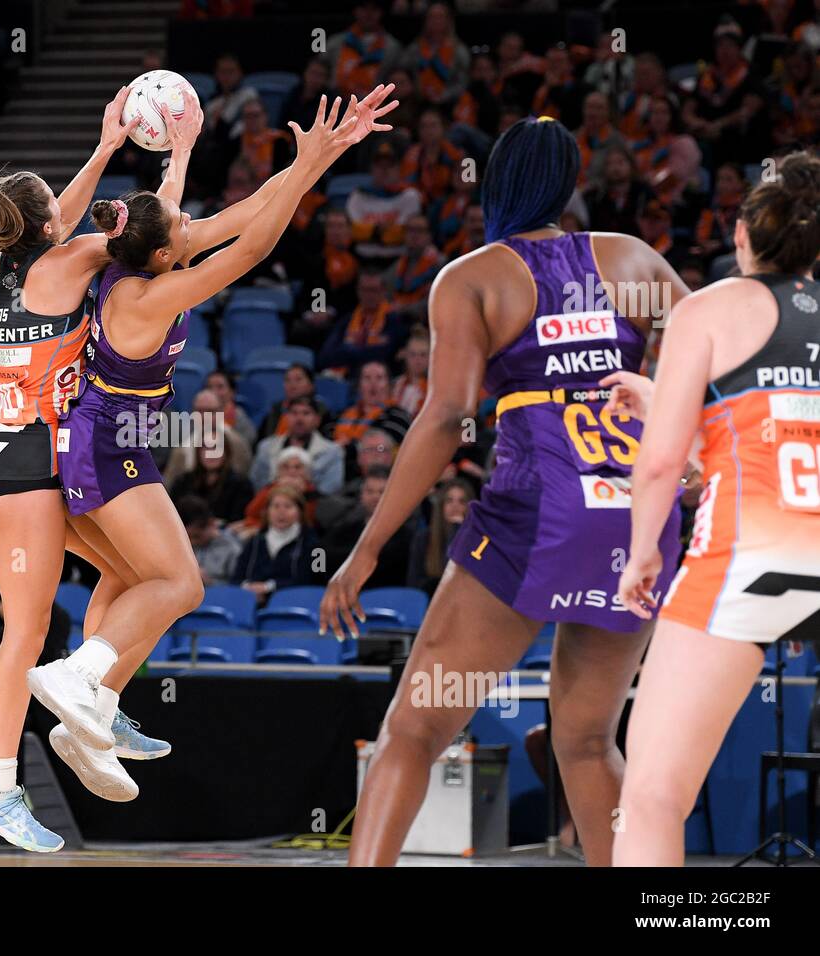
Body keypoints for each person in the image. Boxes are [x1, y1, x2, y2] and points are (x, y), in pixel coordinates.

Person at [321, 117, 689, 867]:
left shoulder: (474, 277)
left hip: (535, 515)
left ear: (495, 185)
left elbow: (447, 417)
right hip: (633, 520)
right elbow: (713, 353)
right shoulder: (631, 259)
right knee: (586, 739)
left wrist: (365, 549)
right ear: (570, 185)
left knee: (415, 729)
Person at [37, 89, 393, 804]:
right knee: (183, 586)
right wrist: (311, 162)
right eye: (183, 226)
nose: (194, 222)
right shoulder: (146, 296)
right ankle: (78, 675)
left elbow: (234, 209)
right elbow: (256, 241)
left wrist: (191, 149)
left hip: (97, 439)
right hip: (105, 443)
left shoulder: (146, 249)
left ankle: (93, 712)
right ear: (167, 252)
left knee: (139, 580)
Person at [0, 84, 146, 851]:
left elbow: (50, 218)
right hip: (25, 464)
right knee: (21, 633)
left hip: (24, 459)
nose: (68, 207)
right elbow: (150, 240)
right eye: (57, 204)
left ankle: (95, 696)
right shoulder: (67, 259)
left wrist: (107, 148)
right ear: (48, 221)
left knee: (131, 571)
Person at [614, 151, 820, 866]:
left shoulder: (707, 310)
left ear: (742, 233)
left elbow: (663, 464)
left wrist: (643, 551)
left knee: (652, 797)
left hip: (747, 560)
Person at [231, 484, 320, 601]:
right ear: (267, 512)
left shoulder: (316, 546)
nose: (281, 512)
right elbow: (235, 579)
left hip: (294, 603)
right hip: (251, 602)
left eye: (288, 506)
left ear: (300, 511)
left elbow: (315, 581)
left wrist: (268, 587)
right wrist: (248, 588)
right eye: (275, 506)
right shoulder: (255, 542)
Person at [251, 395, 345, 495]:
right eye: (294, 413)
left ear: (317, 420)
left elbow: (331, 491)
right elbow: (256, 484)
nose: (299, 419)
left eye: (306, 413)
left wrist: (306, 490)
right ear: (286, 417)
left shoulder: (332, 452)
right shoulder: (266, 447)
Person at [405, 477, 473, 596]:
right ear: (441, 506)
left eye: (461, 502)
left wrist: (458, 530)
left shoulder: (477, 541)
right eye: (449, 501)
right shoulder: (424, 538)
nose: (455, 506)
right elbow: (413, 583)